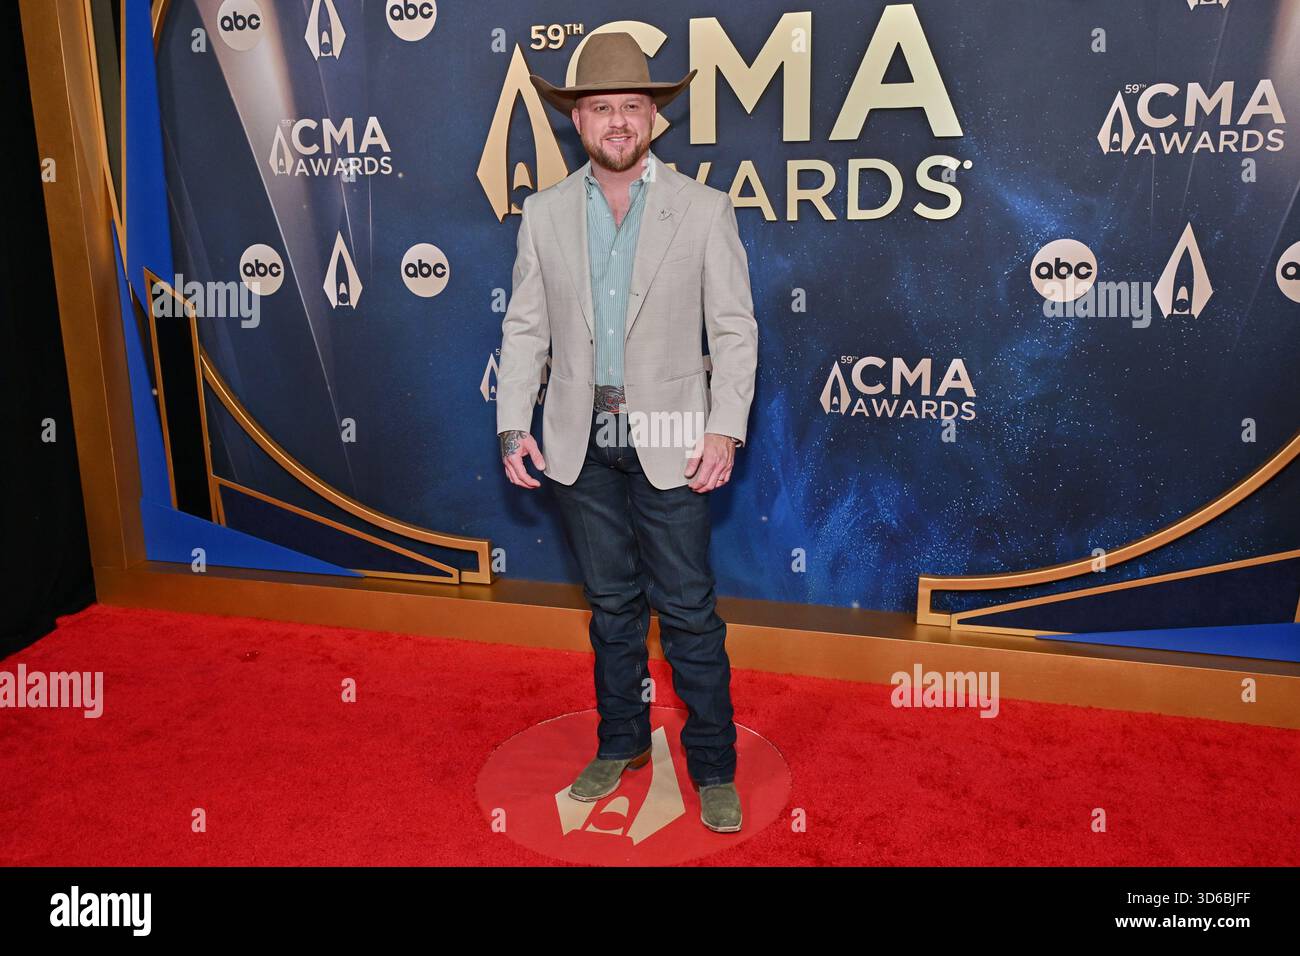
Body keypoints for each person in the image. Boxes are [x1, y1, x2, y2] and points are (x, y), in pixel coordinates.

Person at [495, 32, 758, 833]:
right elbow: (525, 330)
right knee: (611, 609)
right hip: (578, 438)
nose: (616, 121)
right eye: (600, 107)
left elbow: (736, 331)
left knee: (686, 612)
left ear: (654, 117)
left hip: (676, 433)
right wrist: (513, 424)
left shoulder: (705, 209)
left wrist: (726, 430)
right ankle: (622, 742)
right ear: (577, 119)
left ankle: (713, 765)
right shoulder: (542, 214)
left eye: (631, 107)